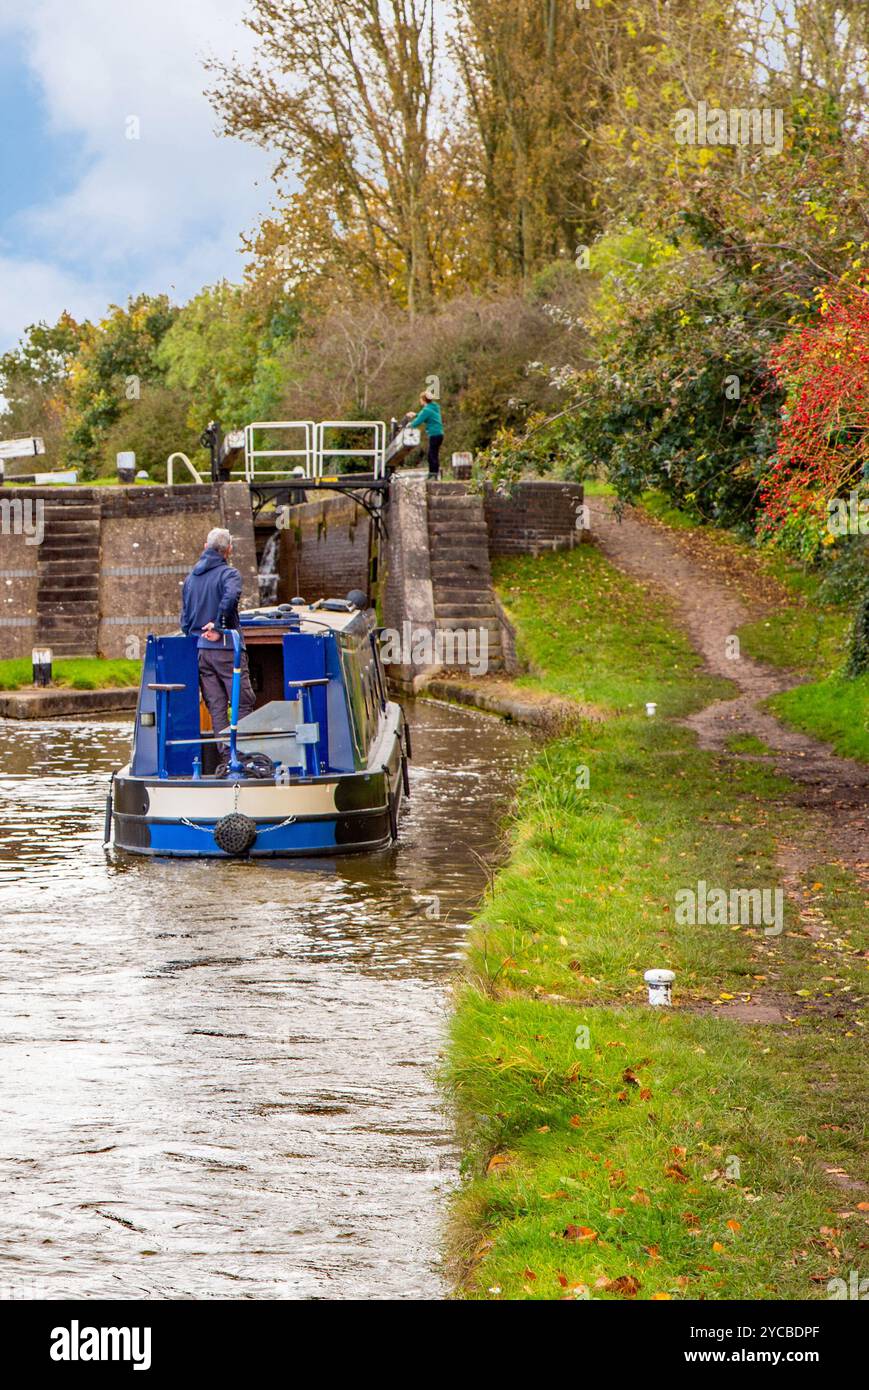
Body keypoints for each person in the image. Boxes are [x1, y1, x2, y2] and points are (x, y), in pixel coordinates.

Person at [180, 527, 256, 756]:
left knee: (216, 706)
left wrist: (195, 634)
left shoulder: (190, 578)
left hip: (202, 652)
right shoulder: (229, 574)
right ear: (228, 550)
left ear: (205, 547)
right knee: (243, 702)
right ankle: (239, 756)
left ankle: (225, 755)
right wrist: (219, 624)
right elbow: (231, 596)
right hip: (226, 649)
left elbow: (185, 618)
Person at [407, 391, 444, 478]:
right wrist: (415, 414)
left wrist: (409, 426)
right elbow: (423, 415)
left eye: (420, 399)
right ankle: (434, 474)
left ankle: (433, 474)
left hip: (434, 434)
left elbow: (418, 422)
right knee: (434, 454)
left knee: (431, 456)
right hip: (439, 434)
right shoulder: (434, 407)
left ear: (424, 400)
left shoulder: (426, 410)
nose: (420, 401)